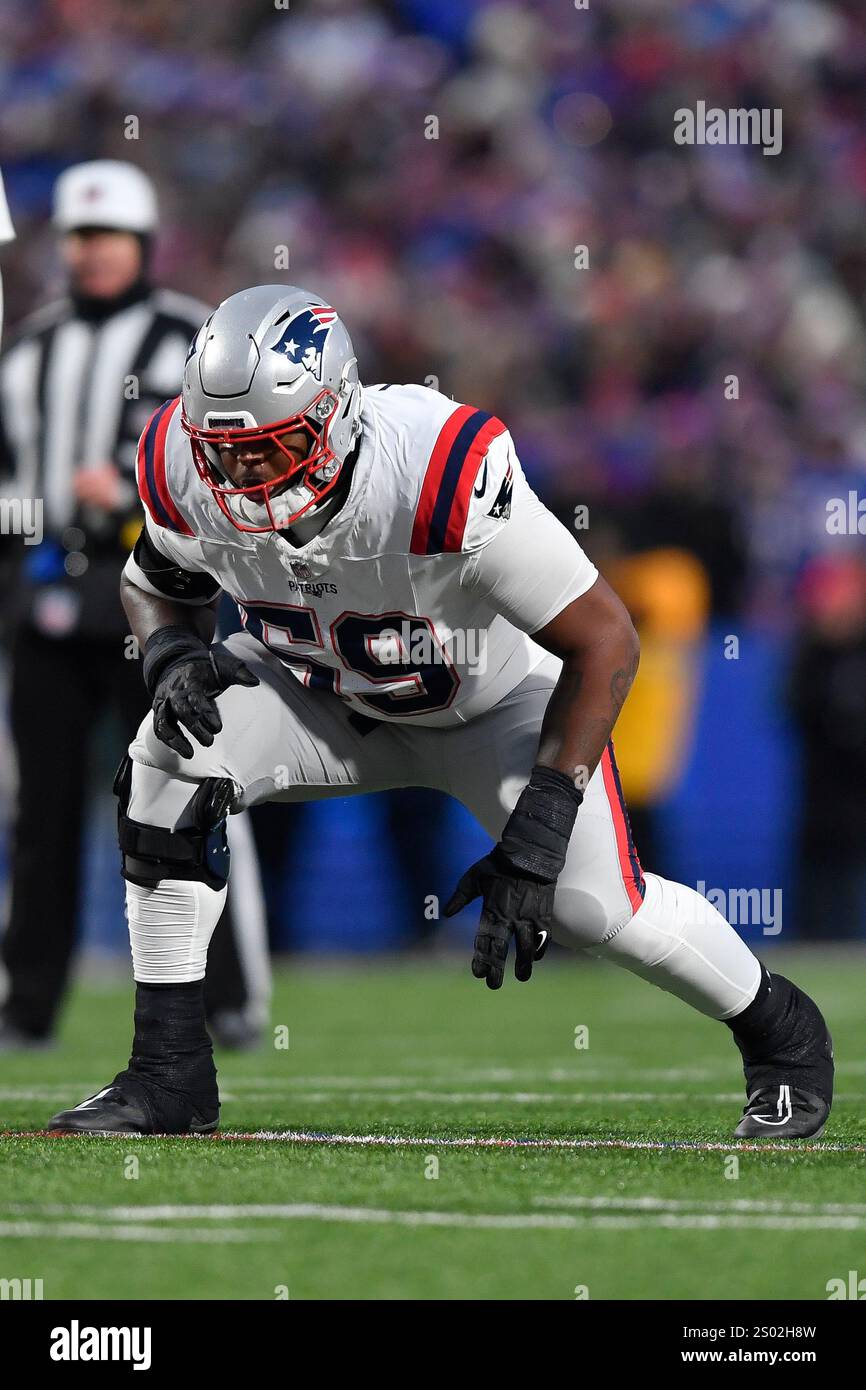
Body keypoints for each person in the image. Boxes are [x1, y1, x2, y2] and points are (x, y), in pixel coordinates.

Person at [48, 284, 833, 1138]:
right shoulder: (178, 461)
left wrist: (543, 820)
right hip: (320, 696)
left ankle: (782, 1032)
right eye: (226, 454)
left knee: (595, 910)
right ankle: (167, 1075)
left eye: (272, 449)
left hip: (488, 703)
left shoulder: (439, 466)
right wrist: (170, 655)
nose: (245, 477)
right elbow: (155, 584)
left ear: (335, 414)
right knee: (167, 759)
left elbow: (606, 639)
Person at [0, 163, 269, 1050]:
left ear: (143, 243)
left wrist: (125, 497)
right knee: (41, 814)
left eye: (110, 235)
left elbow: (230, 466)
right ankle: (27, 1005)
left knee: (190, 790)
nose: (94, 252)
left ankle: (227, 999)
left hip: (160, 602)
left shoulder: (197, 339)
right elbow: (7, 489)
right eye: (81, 237)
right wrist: (35, 522)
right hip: (47, 605)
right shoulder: (26, 351)